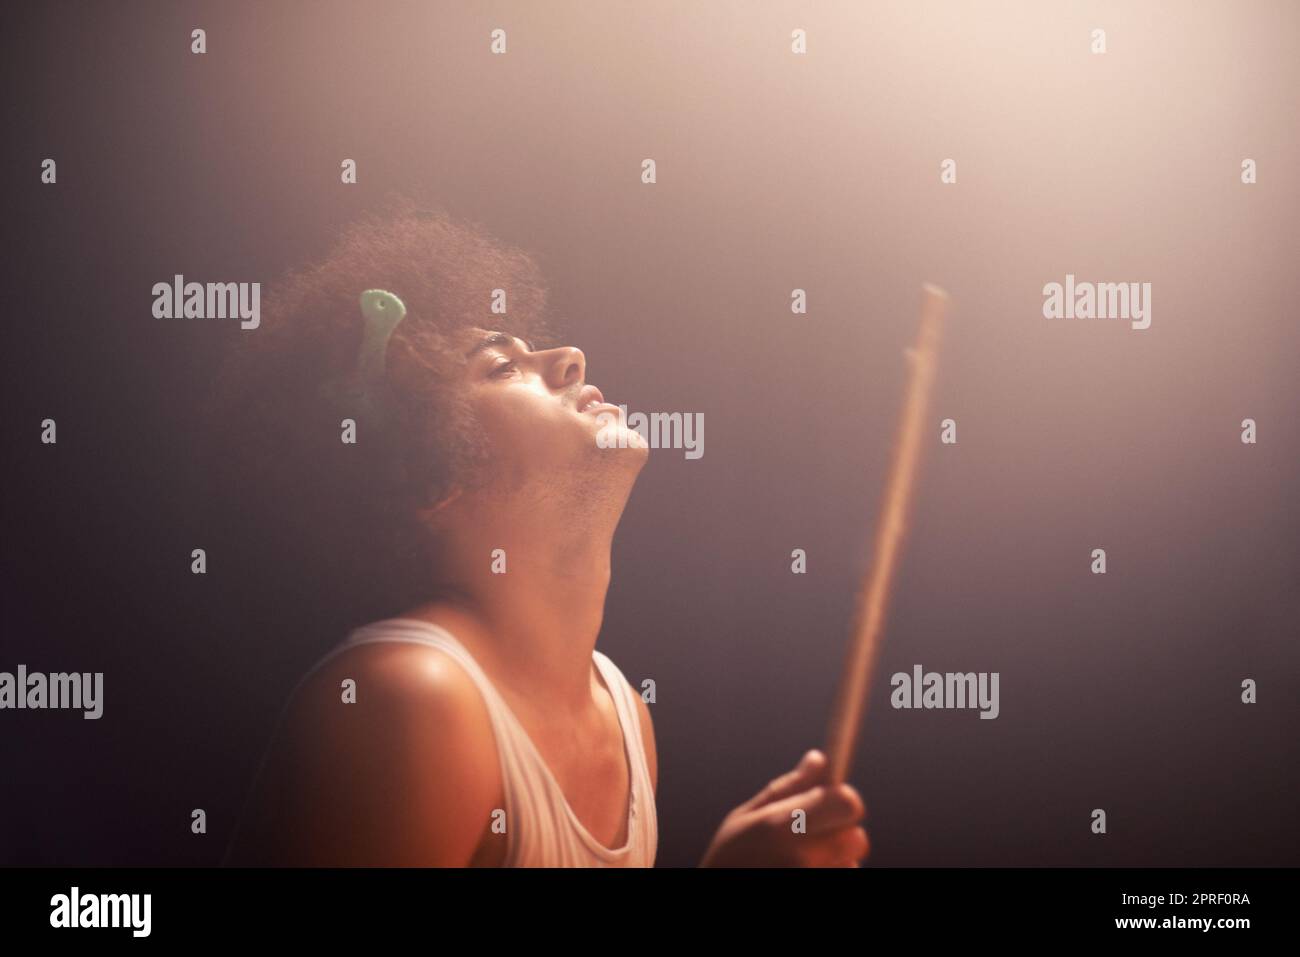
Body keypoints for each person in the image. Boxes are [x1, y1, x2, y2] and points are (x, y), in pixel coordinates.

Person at [210, 197, 868, 867]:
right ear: (431, 476)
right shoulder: (410, 701)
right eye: (502, 366)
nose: (571, 358)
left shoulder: (625, 715)